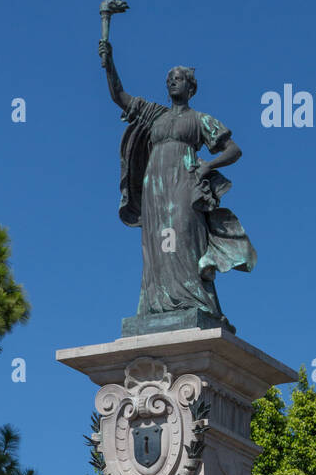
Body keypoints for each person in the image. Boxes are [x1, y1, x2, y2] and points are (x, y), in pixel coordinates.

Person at [99, 39, 256, 331]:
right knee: (157, 245)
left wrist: (208, 165)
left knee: (183, 237)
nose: (173, 83)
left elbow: (233, 150)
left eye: (179, 79)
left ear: (191, 88)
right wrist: (109, 64)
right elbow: (119, 95)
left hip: (185, 182)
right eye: (169, 79)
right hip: (155, 187)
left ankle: (195, 302)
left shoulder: (200, 119)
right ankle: (156, 305)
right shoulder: (155, 115)